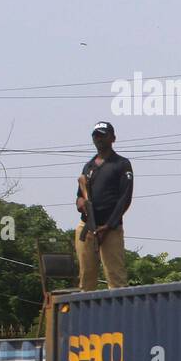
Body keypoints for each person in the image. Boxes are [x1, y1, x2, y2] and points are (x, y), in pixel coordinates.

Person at [75, 120, 133, 290]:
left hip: (110, 228)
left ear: (113, 138)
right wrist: (82, 204)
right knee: (86, 278)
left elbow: (125, 198)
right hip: (87, 226)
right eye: (96, 136)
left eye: (103, 135)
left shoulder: (121, 164)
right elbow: (79, 196)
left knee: (116, 278)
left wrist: (108, 226)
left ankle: (119, 316)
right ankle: (86, 315)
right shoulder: (88, 167)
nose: (99, 139)